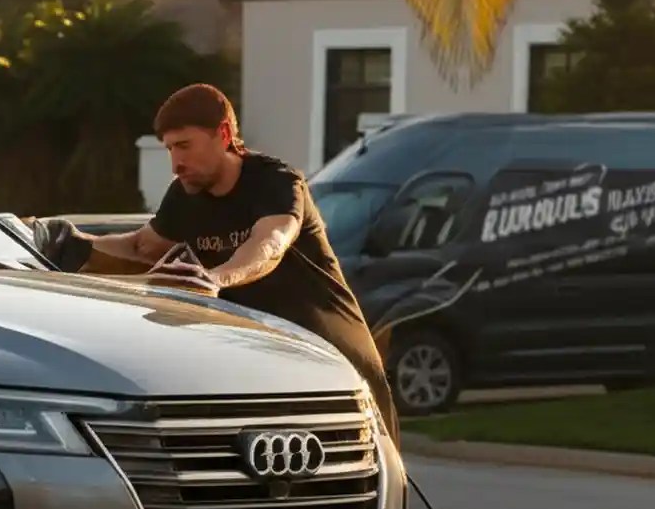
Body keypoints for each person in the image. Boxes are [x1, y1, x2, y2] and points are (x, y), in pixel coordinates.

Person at [41, 83, 404, 452]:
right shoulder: (185, 196)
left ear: (224, 135)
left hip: (336, 361)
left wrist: (215, 278)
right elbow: (139, 247)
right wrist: (64, 242)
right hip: (268, 362)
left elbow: (270, 244)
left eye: (185, 145)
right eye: (170, 149)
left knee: (365, 475)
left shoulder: (277, 182)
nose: (175, 163)